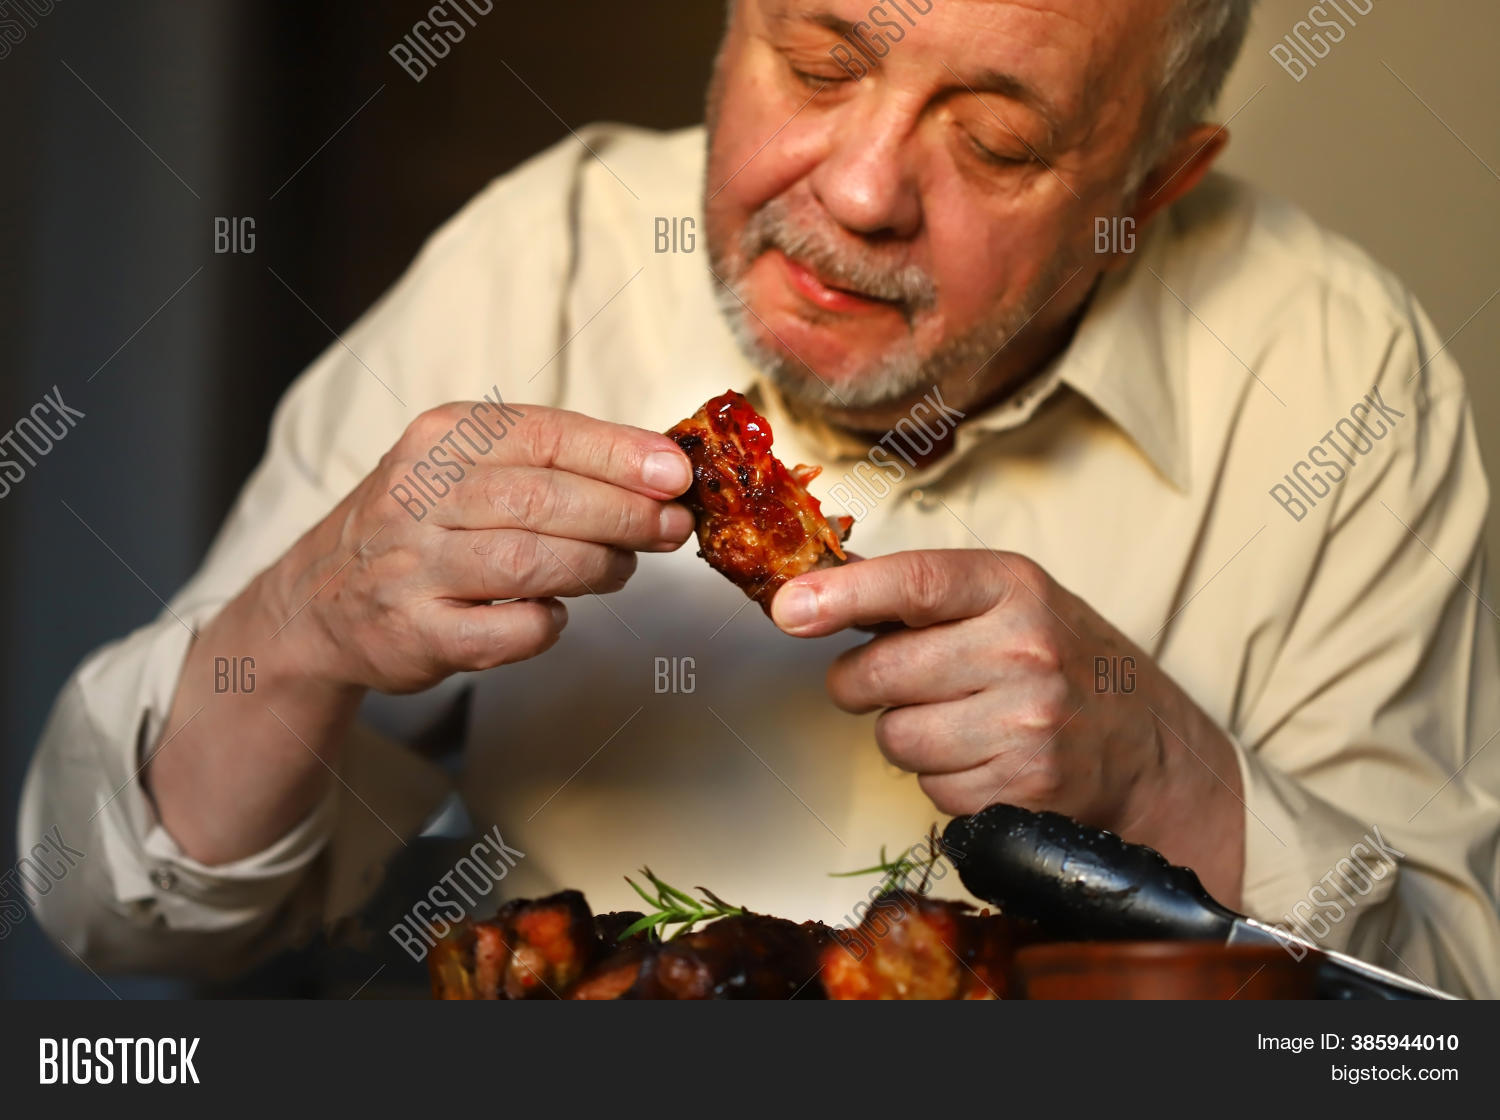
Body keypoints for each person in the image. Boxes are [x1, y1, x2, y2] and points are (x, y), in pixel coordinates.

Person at [20, 0, 1500, 997]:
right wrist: (298, 622)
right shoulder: (542, 263)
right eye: (818, 63)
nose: (860, 192)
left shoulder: (1344, 383)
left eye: (993, 141)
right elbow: (114, 914)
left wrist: (1174, 777)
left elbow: (1438, 1030)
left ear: (1156, 182)